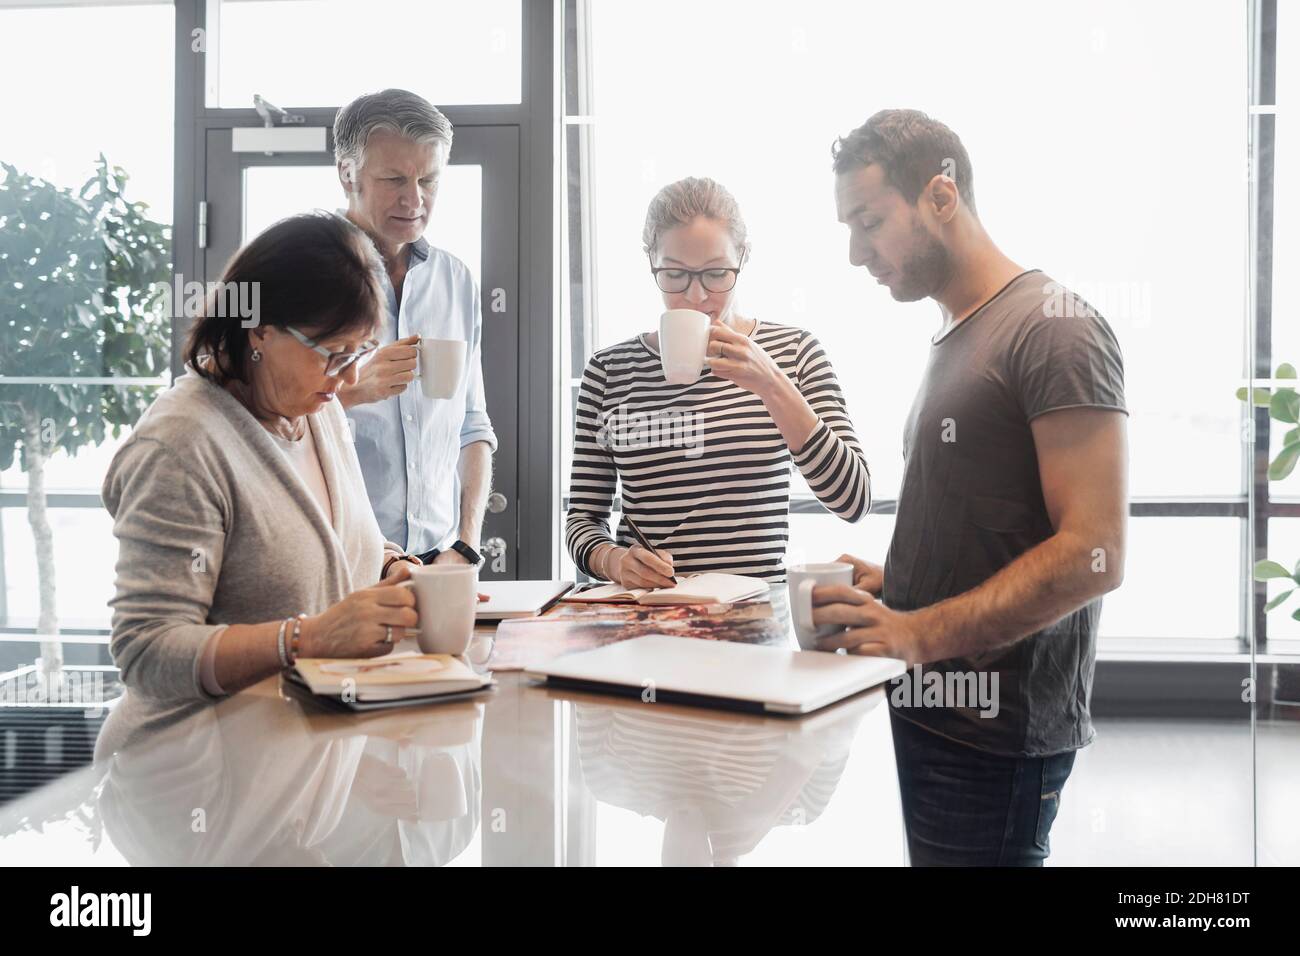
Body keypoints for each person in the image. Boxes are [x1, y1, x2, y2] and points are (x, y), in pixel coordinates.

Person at [815, 109, 1129, 865]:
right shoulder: (957, 330)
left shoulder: (1056, 329)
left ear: (941, 196)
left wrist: (919, 631)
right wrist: (900, 583)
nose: (857, 253)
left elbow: (1096, 551)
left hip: (993, 742)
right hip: (932, 713)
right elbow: (996, 525)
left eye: (870, 222)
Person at [102, 212, 426, 732]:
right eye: (335, 355)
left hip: (292, 761)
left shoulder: (317, 411)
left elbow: (326, 542)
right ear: (261, 331)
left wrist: (393, 570)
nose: (348, 377)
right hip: (188, 777)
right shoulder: (182, 444)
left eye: (359, 354)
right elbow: (146, 652)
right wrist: (306, 639)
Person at [566, 177, 870, 589]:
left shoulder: (793, 351)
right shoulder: (608, 371)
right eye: (674, 275)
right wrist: (613, 560)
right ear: (650, 260)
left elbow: (853, 500)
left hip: (755, 614)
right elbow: (583, 518)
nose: (695, 295)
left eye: (715, 273)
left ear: (743, 257)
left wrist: (770, 382)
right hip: (646, 614)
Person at [332, 88, 496, 568]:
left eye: (429, 179)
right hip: (339, 560)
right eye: (394, 179)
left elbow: (472, 423)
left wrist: (465, 545)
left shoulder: (456, 280)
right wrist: (350, 389)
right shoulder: (303, 273)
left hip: (438, 561)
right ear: (347, 174)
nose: (414, 199)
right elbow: (264, 424)